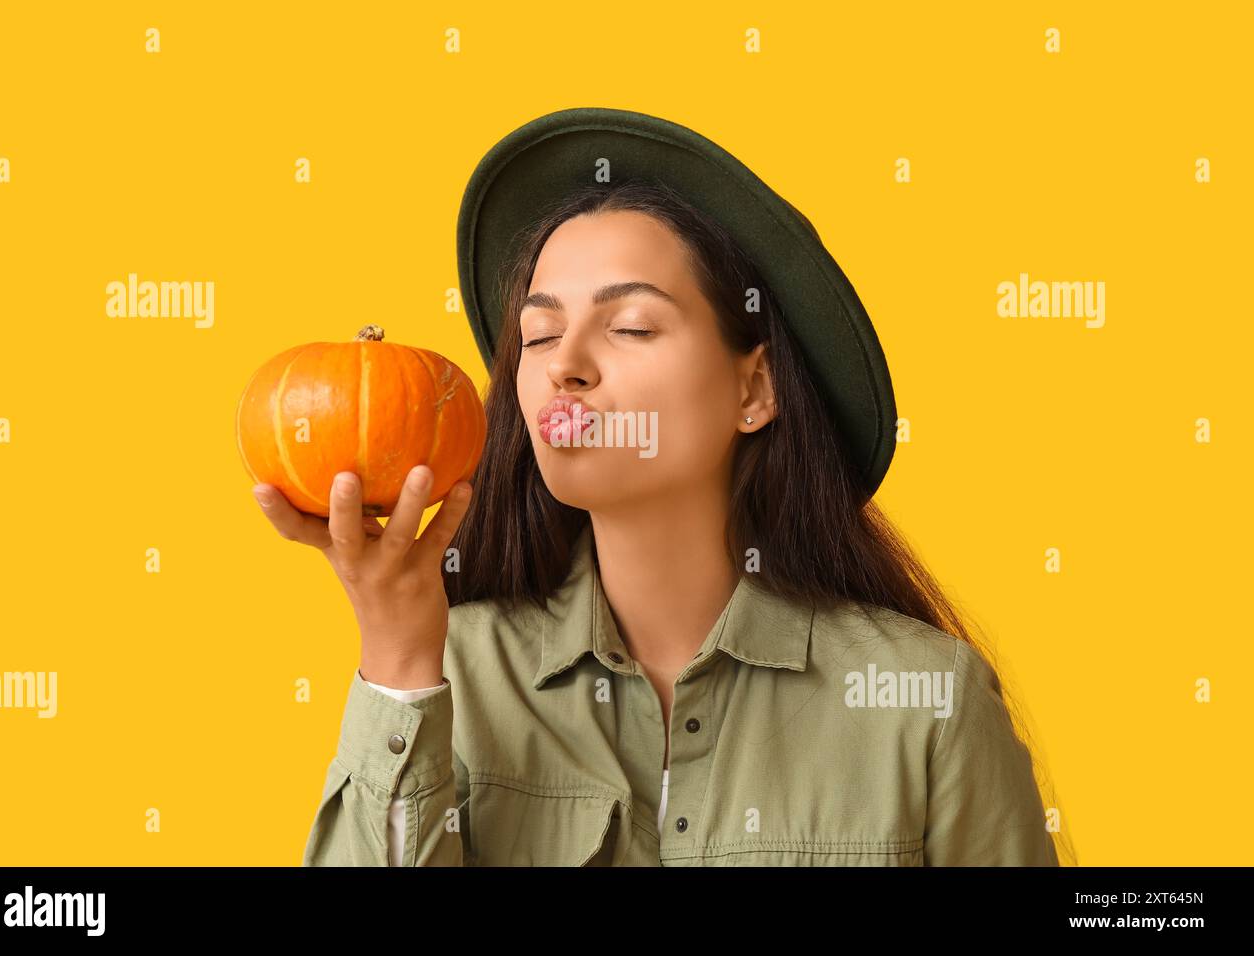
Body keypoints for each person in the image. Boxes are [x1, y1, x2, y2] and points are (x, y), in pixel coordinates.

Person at [253, 109, 1069, 866]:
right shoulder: (447, 680)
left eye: (632, 326)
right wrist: (396, 656)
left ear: (754, 390)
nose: (564, 364)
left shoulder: (927, 706)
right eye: (538, 334)